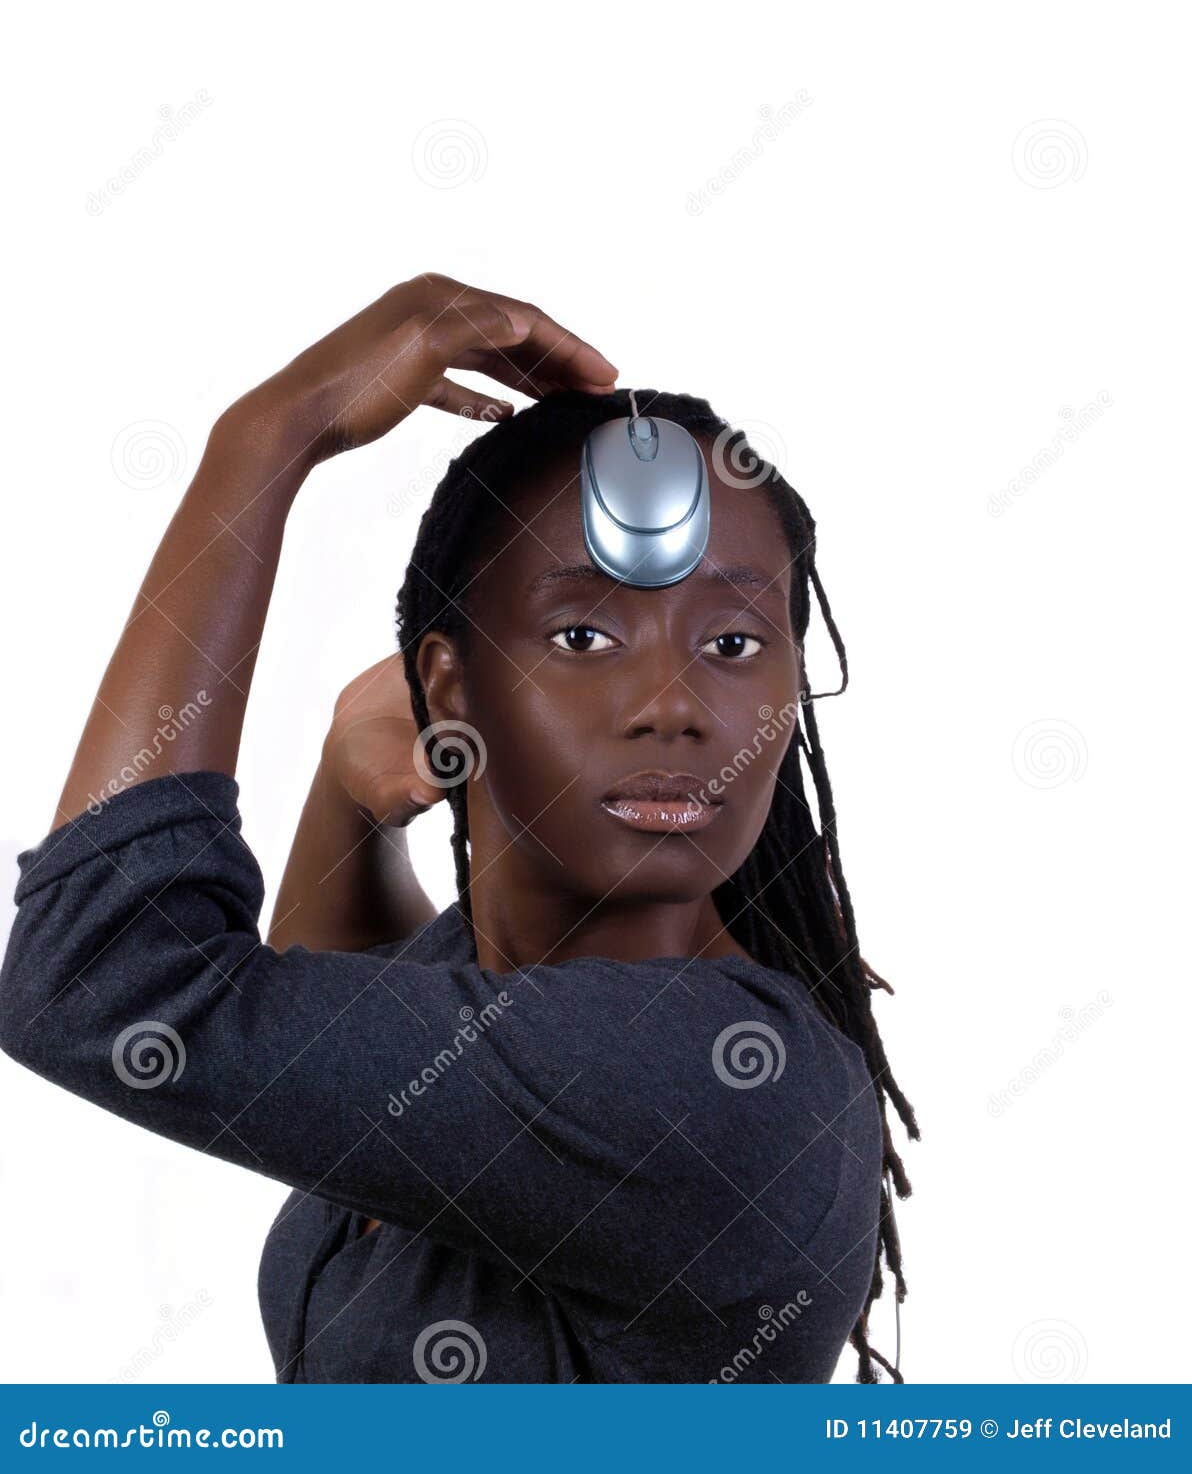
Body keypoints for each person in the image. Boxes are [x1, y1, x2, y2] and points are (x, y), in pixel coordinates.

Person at [0, 273, 918, 1383]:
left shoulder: (716, 1087)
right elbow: (337, 1029)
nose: (674, 703)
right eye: (583, 636)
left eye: (731, 644)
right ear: (450, 682)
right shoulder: (534, 1006)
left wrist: (266, 435)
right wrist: (348, 803)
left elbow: (102, 977)